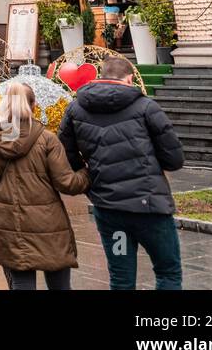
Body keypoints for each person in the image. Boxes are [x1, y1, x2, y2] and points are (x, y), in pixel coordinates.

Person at [58, 54, 185, 290]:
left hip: (109, 209)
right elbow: (174, 159)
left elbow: (65, 153)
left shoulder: (75, 110)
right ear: (129, 79)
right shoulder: (147, 107)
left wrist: (88, 176)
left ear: (102, 76)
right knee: (168, 272)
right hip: (150, 208)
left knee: (121, 278)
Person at [0, 83, 90, 290]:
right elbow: (67, 183)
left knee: (21, 283)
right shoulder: (47, 139)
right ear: (33, 105)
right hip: (49, 222)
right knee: (59, 283)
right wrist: (87, 171)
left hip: (9, 220)